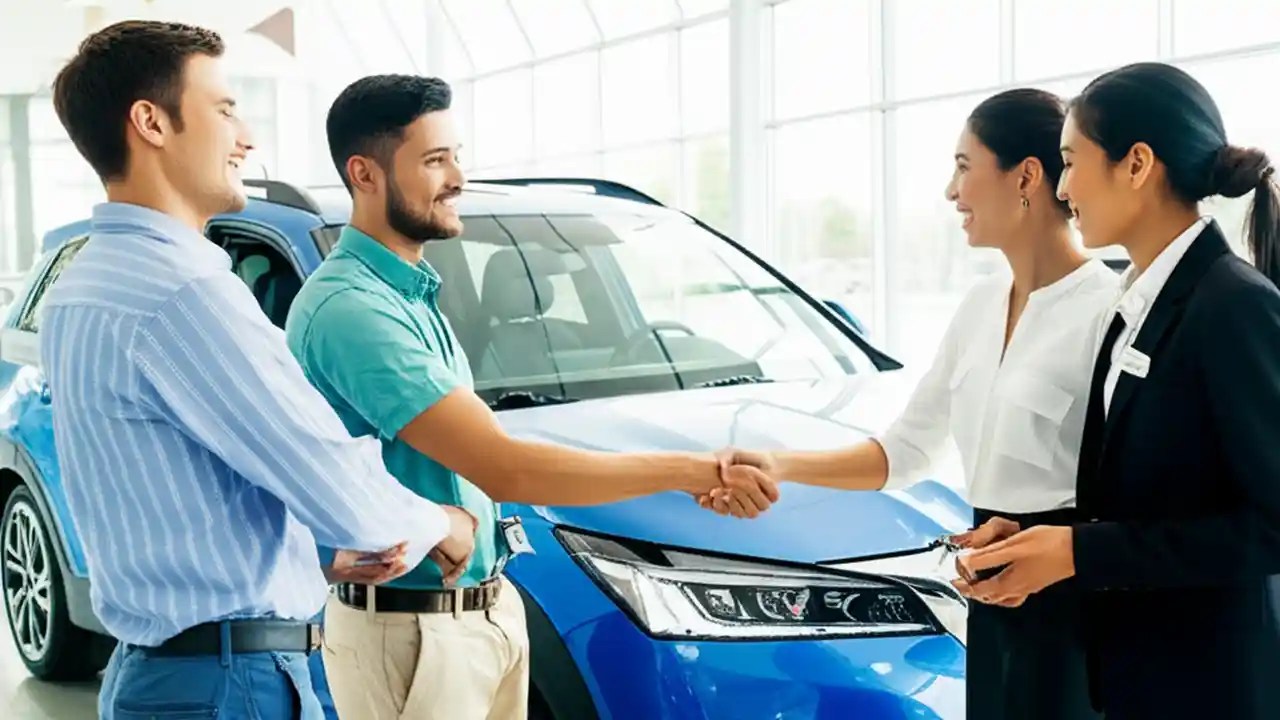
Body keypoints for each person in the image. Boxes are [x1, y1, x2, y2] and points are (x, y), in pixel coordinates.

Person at [283, 74, 779, 720]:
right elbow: (502, 466)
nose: (458, 176)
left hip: (478, 613)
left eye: (456, 155)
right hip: (412, 636)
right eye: (435, 160)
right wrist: (693, 471)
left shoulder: (413, 294)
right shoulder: (352, 310)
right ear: (365, 174)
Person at [44, 22, 477, 719]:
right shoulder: (183, 292)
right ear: (151, 122)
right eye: (224, 109)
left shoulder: (83, 285)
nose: (246, 137)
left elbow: (165, 500)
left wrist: (304, 554)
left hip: (156, 676)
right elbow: (340, 487)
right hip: (228, 683)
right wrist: (447, 524)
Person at [713, 89, 1115, 720]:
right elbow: (905, 451)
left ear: (1027, 177)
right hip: (989, 597)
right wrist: (779, 465)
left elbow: (1142, 490)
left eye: (963, 166)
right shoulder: (981, 304)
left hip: (1080, 606)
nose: (951, 193)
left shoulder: (1109, 312)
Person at [957, 62, 1280, 719]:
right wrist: (1037, 536)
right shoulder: (1139, 303)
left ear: (1137, 164)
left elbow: (1272, 525)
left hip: (1208, 686)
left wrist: (1078, 550)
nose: (1064, 186)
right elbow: (1160, 495)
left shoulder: (1231, 305)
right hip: (1136, 675)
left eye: (1072, 161)